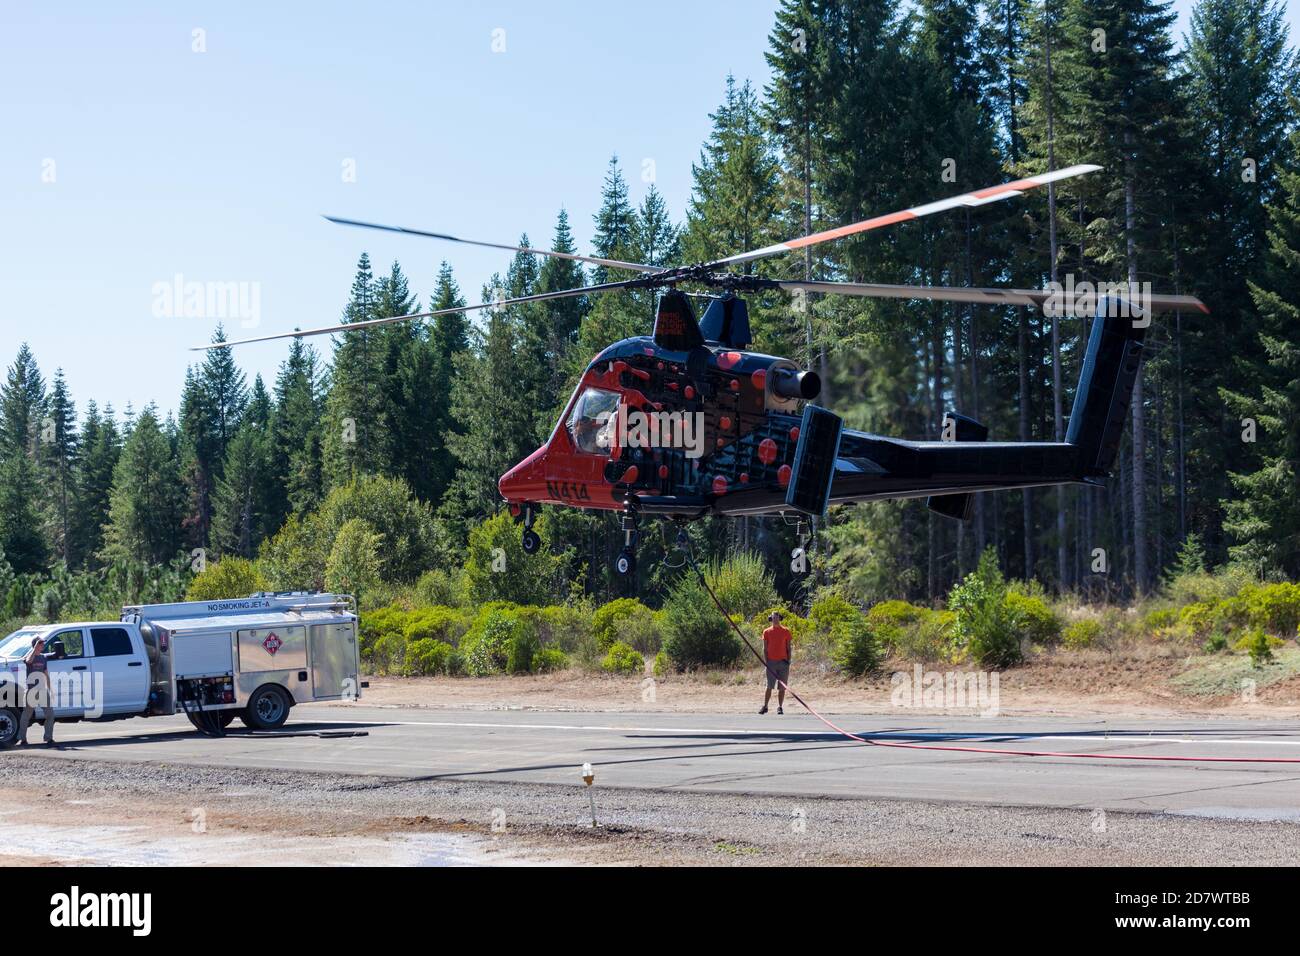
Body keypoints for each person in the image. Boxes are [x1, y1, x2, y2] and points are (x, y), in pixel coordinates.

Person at [17, 635, 55, 747]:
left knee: (50, 714)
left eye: (43, 643)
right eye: (40, 643)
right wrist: (34, 649)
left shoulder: (43, 658)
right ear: (35, 645)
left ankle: (48, 738)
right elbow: (28, 661)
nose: (43, 645)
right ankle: (22, 739)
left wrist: (50, 689)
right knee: (26, 715)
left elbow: (46, 674)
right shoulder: (29, 656)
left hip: (43, 690)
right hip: (31, 691)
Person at [759, 610, 793, 715]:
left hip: (783, 663)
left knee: (782, 687)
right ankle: (765, 706)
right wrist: (766, 662)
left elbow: (788, 648)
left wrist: (788, 661)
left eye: (777, 617)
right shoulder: (766, 632)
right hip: (771, 663)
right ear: (771, 619)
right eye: (773, 618)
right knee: (769, 686)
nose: (775, 619)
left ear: (780, 618)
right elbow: (765, 648)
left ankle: (780, 707)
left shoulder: (786, 631)